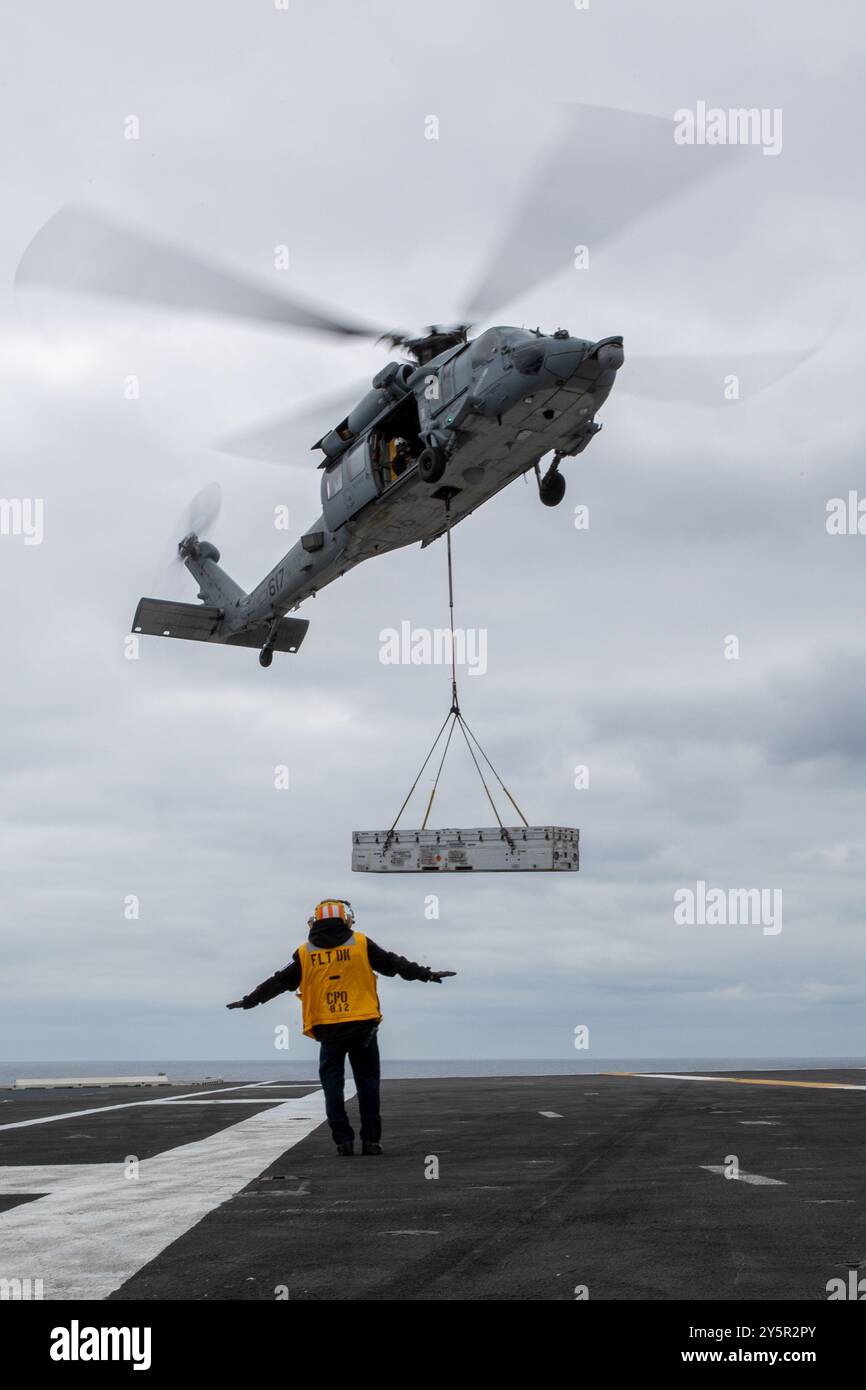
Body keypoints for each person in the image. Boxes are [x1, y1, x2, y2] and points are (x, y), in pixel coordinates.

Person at [227, 899, 455, 1155]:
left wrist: (250, 1001)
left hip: (328, 1028)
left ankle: (343, 1141)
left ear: (315, 922)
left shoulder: (305, 953)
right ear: (345, 919)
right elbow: (395, 964)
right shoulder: (360, 943)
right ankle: (371, 1142)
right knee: (368, 1084)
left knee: (332, 1087)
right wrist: (427, 974)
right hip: (363, 1025)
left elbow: (279, 981)